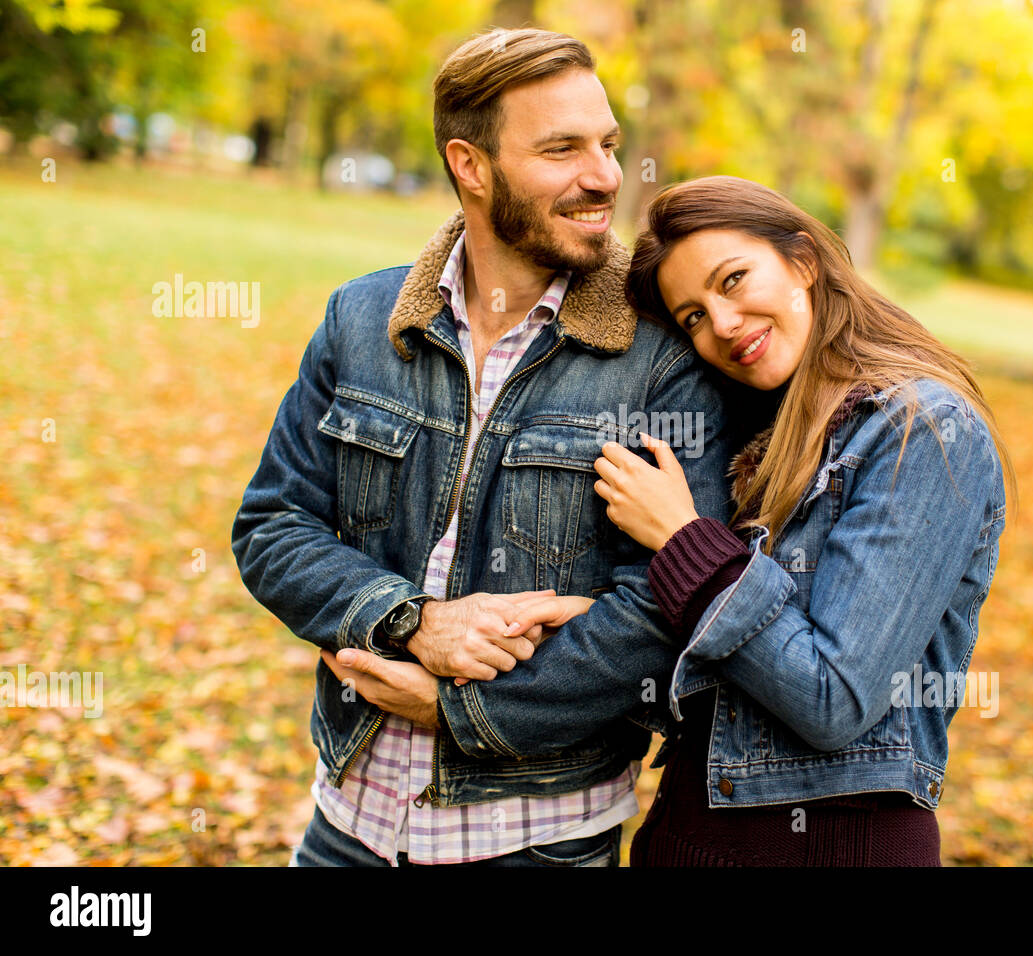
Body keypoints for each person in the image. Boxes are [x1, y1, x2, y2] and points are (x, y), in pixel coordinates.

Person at [230, 28, 734, 867]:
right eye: (562, 149)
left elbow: (661, 609)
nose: (605, 176)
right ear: (471, 165)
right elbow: (273, 528)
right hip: (348, 823)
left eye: (608, 145)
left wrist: (457, 711)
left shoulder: (660, 357)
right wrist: (413, 622)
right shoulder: (362, 319)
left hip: (535, 840)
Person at [515, 174, 1017, 865]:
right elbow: (743, 661)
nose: (721, 325)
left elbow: (832, 698)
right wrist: (607, 620)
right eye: (692, 317)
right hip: (684, 839)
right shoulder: (763, 435)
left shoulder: (923, 432)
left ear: (803, 261)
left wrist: (683, 540)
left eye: (733, 280)